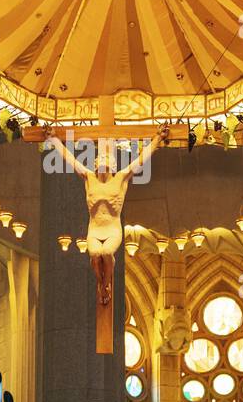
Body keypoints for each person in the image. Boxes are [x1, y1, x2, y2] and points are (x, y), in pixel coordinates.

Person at [45, 127, 167, 303]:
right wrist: (54, 139)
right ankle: (101, 284)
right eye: (99, 162)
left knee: (107, 252)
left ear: (113, 166)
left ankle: (105, 284)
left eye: (106, 162)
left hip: (112, 229)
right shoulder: (88, 177)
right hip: (95, 229)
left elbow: (141, 159)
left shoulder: (122, 177)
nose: (102, 164)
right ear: (95, 165)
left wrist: (157, 139)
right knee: (95, 254)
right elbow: (69, 159)